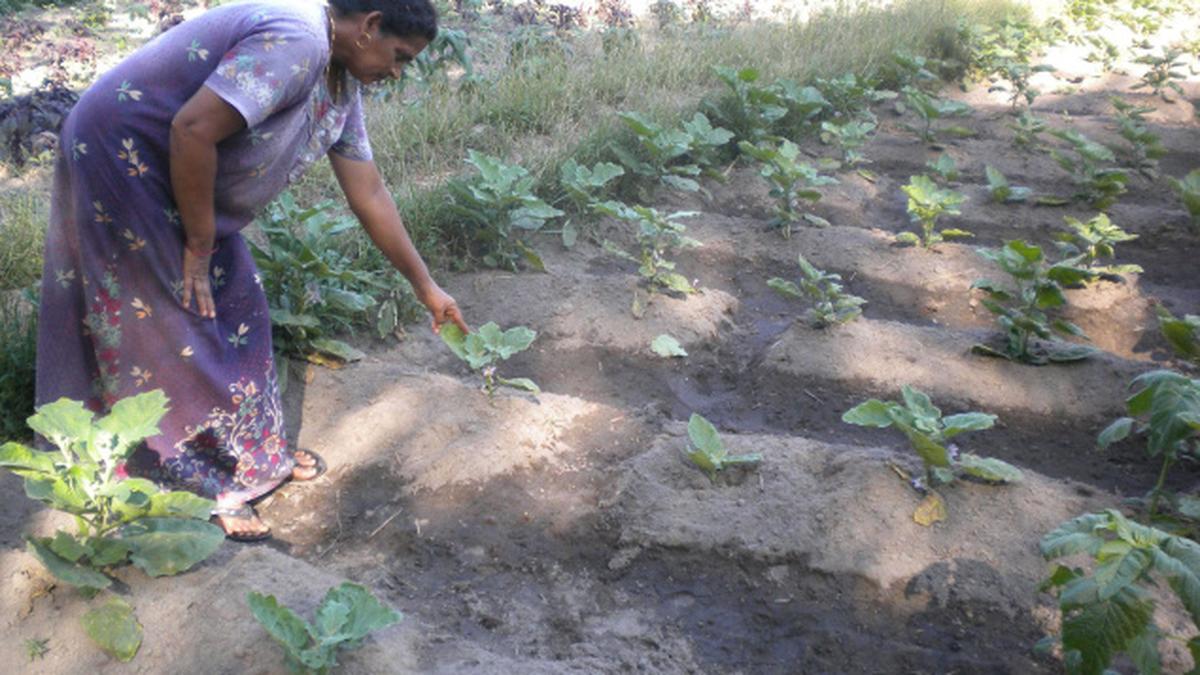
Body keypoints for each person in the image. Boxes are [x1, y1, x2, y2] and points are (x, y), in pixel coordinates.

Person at [35, 0, 468, 542]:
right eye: (399, 56)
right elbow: (192, 128)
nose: (397, 72)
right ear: (371, 26)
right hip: (122, 153)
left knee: (237, 303)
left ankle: (248, 456)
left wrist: (425, 286)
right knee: (169, 320)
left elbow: (369, 190)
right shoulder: (299, 40)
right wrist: (198, 242)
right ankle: (197, 482)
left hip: (174, 163)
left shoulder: (340, 78)